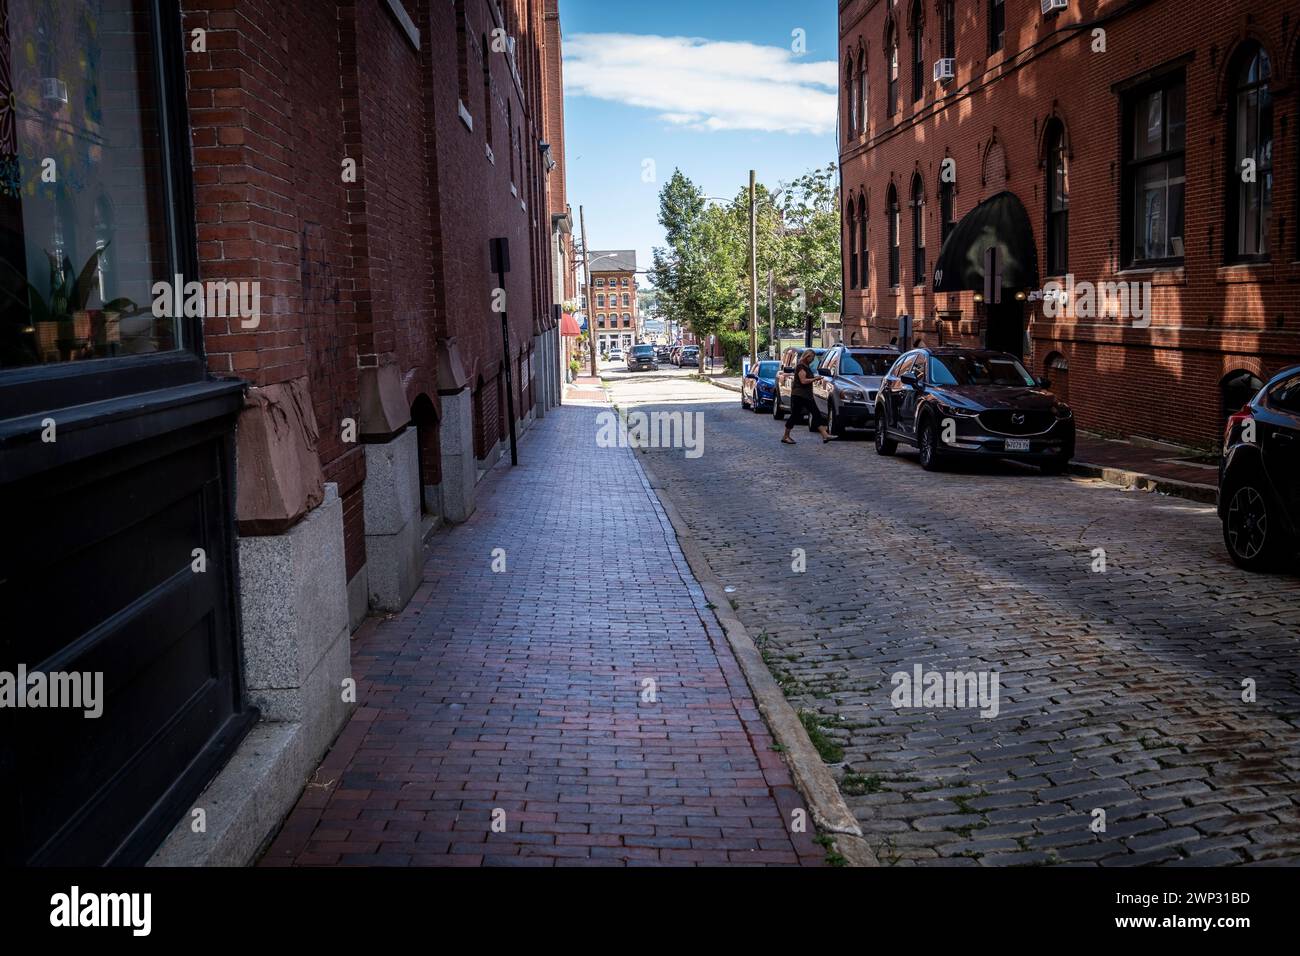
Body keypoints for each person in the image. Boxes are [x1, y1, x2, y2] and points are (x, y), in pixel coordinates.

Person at [782, 350, 835, 445]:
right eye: (812, 358)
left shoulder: (806, 366)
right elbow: (803, 381)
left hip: (806, 395)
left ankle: (825, 435)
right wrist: (815, 379)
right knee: (795, 415)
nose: (812, 360)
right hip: (799, 395)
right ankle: (785, 436)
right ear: (807, 357)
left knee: (816, 413)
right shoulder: (801, 366)